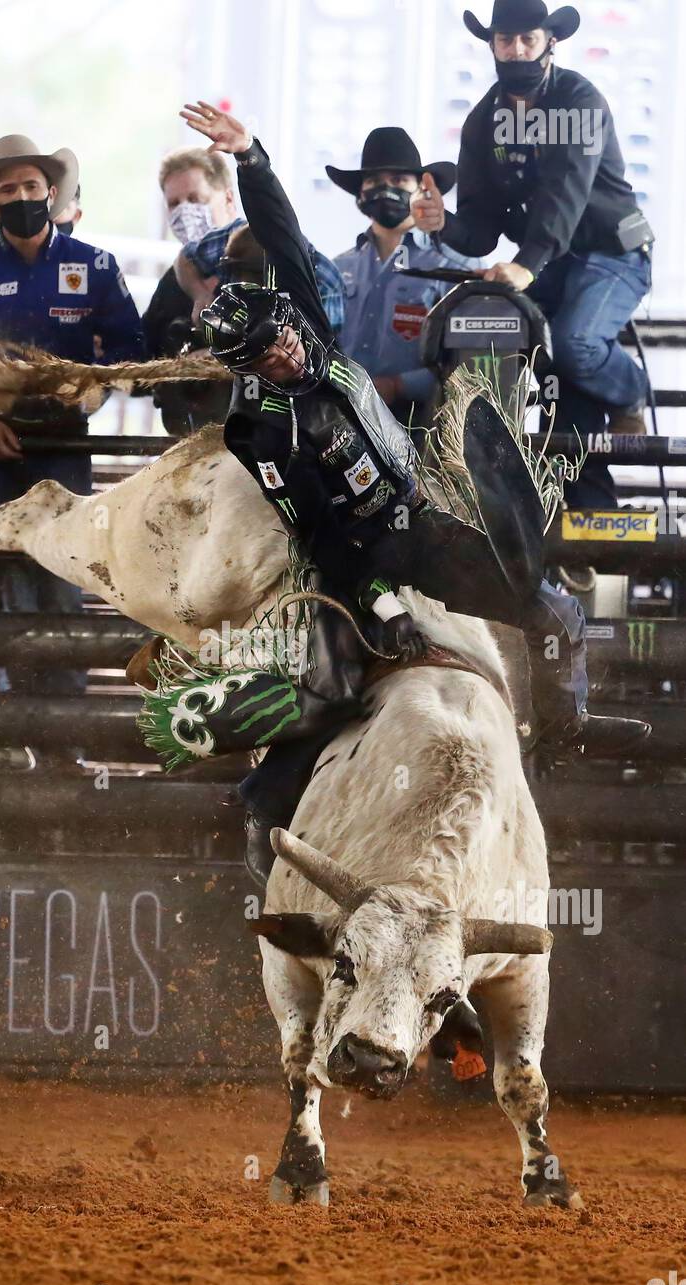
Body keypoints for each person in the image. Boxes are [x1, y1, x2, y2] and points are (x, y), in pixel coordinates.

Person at [178, 100, 650, 884]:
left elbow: (285, 237)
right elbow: (318, 532)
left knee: (553, 610)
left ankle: (566, 727)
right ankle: (266, 807)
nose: (291, 353)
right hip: (345, 556)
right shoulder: (262, 430)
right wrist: (376, 600)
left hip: (414, 519)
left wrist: (252, 158)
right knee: (323, 693)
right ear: (250, 367)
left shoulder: (310, 337)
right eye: (270, 353)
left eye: (289, 335)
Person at [0, 134, 145, 768]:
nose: (21, 197)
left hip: (62, 449)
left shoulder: (95, 267)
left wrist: (98, 388)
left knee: (60, 589)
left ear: (52, 192)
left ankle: (60, 748)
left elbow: (131, 346)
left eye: (29, 186)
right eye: (7, 189)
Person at [412, 0, 653, 505]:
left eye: (527, 38)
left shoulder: (579, 100)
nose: (516, 49)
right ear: (493, 45)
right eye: (506, 39)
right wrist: (442, 224)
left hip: (613, 254)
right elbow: (480, 229)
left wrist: (526, 263)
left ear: (550, 41)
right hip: (550, 265)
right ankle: (574, 514)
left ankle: (630, 389)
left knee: (575, 343)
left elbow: (566, 189)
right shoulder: (483, 122)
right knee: (548, 360)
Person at [328, 128, 481, 427]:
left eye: (398, 180)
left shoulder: (455, 265)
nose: (384, 189)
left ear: (422, 190)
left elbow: (474, 361)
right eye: (373, 181)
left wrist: (398, 385)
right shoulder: (338, 268)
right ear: (360, 193)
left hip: (426, 425)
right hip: (342, 421)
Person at [142, 147, 240, 433]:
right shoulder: (171, 283)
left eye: (196, 199)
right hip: (186, 443)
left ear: (228, 199)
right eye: (174, 203)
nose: (185, 211)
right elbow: (141, 359)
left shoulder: (262, 264)